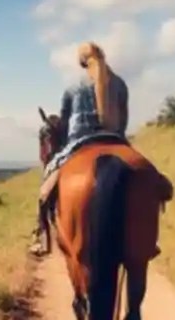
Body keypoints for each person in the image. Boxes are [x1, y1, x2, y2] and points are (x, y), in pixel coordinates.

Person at [29, 41, 148, 256]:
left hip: (79, 142)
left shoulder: (73, 88)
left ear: (82, 63)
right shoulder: (120, 84)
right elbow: (124, 120)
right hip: (117, 140)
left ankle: (40, 236)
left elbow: (66, 127)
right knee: (152, 180)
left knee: (45, 190)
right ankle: (148, 239)